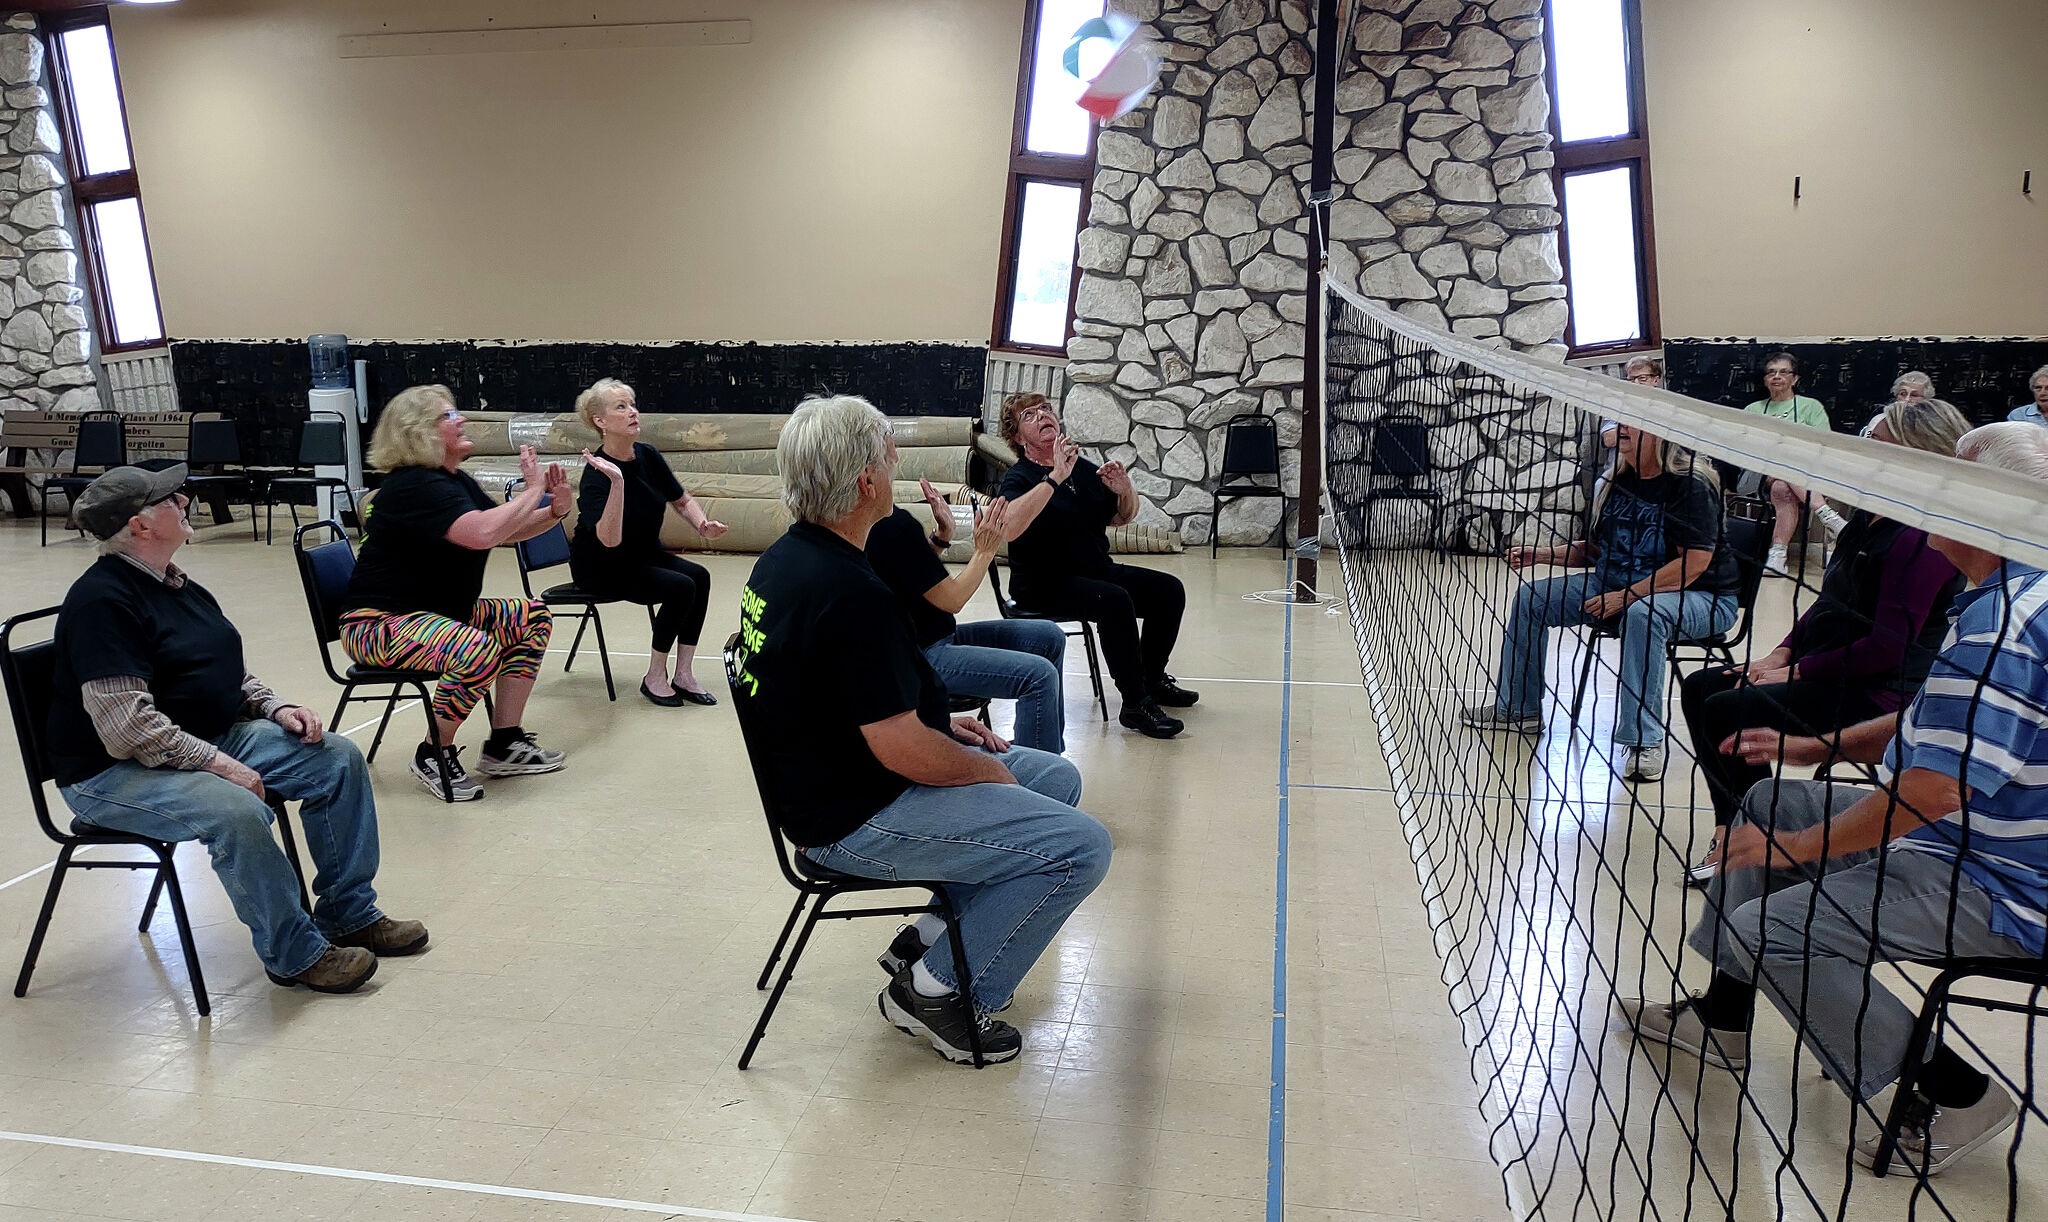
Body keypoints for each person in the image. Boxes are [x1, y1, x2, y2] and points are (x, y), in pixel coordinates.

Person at [1618, 422, 2048, 1178]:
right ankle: (1725, 1020)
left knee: (1771, 928)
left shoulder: (2005, 625)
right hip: (1971, 841)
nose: (1926, 492)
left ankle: (1955, 1092)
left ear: (1992, 506)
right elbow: (1930, 729)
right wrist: (1812, 751)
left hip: (2008, 887)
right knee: (1771, 801)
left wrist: (1798, 852)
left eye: (1946, 480)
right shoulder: (2003, 593)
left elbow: (1935, 788)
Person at [734, 395, 1110, 1065]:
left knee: (1055, 776)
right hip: (852, 817)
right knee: (1080, 848)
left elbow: (847, 698)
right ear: (866, 483)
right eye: (886, 453)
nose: (897, 459)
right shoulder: (849, 592)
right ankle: (937, 993)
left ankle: (933, 935)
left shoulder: (789, 559)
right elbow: (901, 747)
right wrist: (983, 772)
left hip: (843, 774)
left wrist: (940, 722)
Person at [48, 465, 427, 994]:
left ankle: (349, 913)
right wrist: (220, 765)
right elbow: (127, 729)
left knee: (336, 758)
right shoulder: (102, 604)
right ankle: (294, 953)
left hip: (204, 737)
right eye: (168, 499)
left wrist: (276, 710)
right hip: (110, 773)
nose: (183, 499)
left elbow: (223, 669)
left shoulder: (175, 582)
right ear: (140, 526)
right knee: (238, 810)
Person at [1678, 398, 1969, 882]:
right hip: (1831, 667)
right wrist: (1781, 651)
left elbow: (1887, 648)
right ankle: (1735, 828)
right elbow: (1829, 601)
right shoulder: (1870, 515)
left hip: (1878, 694)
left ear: (1912, 454)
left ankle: (1751, 838)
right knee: (1701, 686)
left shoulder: (1920, 537)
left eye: (1875, 442)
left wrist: (1794, 672)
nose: (1860, 449)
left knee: (1727, 708)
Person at [1461, 424, 1739, 782]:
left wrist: (1625, 597)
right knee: (1534, 598)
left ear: (1661, 434)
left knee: (1644, 614)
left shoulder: (1690, 487)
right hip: (1616, 586)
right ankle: (1518, 710)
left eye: (1633, 423)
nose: (1621, 428)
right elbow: (1597, 552)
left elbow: (1694, 564)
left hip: (1702, 597)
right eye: (1619, 421)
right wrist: (1542, 554)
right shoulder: (1614, 481)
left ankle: (1643, 741)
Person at [340, 385, 569, 802]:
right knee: (476, 649)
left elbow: (507, 531)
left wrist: (555, 510)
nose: (461, 419)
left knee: (531, 616)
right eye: (448, 416)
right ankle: (434, 751)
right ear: (419, 432)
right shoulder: (412, 486)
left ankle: (504, 743)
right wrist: (535, 491)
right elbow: (482, 533)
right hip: (377, 625)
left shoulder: (453, 481)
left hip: (438, 614)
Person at [994, 392, 1194, 740]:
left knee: (1168, 590)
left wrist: (1125, 489)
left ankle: (1151, 680)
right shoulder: (1019, 478)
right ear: (1017, 437)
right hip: (1042, 585)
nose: (1043, 416)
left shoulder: (1083, 470)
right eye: (1030, 415)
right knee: (1113, 600)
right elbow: (1008, 527)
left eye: (1045, 409)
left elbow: (1121, 518)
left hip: (1094, 571)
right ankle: (1135, 704)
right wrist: (1054, 476)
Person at [865, 482, 1068, 753]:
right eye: (887, 437)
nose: (893, 450)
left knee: (1048, 637)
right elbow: (953, 599)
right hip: (918, 656)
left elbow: (910, 574)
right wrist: (984, 550)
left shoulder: (891, 520)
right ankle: (1038, 778)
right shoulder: (887, 524)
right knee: (1038, 676)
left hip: (936, 635)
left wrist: (941, 537)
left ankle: (1044, 750)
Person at [570, 378, 728, 707]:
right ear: (600, 421)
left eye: (633, 404)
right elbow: (609, 542)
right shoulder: (596, 475)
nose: (633, 412)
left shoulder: (648, 455)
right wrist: (616, 482)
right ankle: (655, 676)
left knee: (700, 576)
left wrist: (703, 524)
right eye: (621, 407)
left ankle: (683, 673)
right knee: (680, 586)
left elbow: (681, 501)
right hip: (604, 566)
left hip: (643, 555)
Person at [1739, 352, 1834, 576]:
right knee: (1784, 463)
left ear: (1795, 379)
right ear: (1764, 379)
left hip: (1803, 474)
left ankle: (1777, 555)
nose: (1777, 376)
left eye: (1784, 372)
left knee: (1783, 487)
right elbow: (1745, 450)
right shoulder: (1753, 410)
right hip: (1758, 475)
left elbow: (1824, 444)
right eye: (1771, 372)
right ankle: (1827, 515)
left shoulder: (1811, 407)